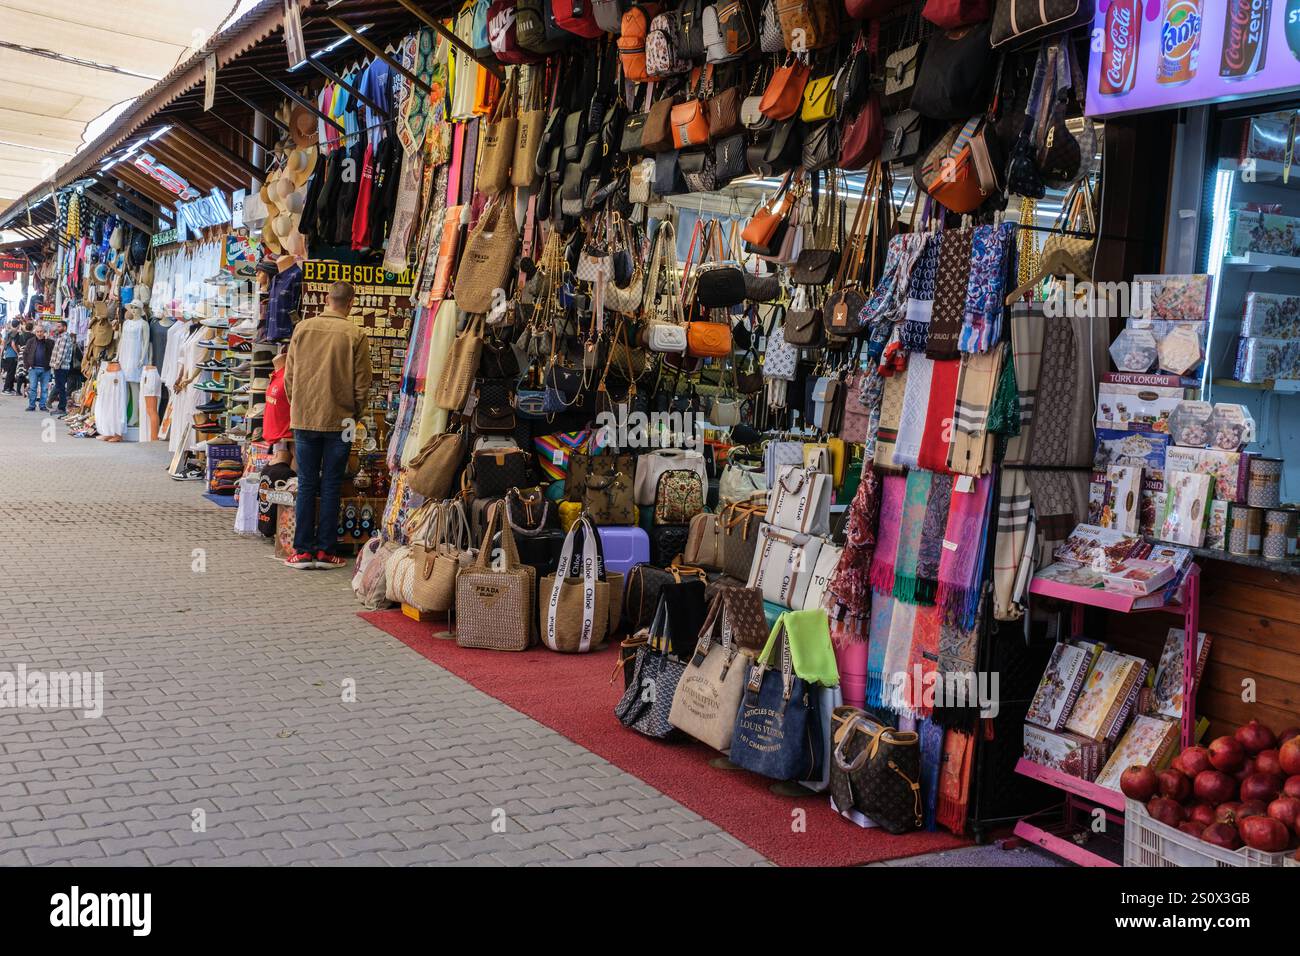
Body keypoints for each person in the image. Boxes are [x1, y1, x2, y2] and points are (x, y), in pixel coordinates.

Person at [282, 281, 371, 570]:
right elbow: (362, 384)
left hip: (305, 416)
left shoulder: (303, 329)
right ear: (351, 302)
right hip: (342, 420)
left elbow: (289, 377)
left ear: (326, 299)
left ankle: (302, 552)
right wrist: (355, 414)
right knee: (332, 484)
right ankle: (325, 552)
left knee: (307, 482)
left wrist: (298, 405)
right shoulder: (355, 334)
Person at [22, 324, 53, 412]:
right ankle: (32, 405)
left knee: (44, 388)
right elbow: (25, 353)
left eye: (41, 332)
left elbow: (53, 351)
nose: (39, 333)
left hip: (46, 369)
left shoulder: (49, 342)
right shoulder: (30, 341)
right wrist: (27, 366)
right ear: (35, 333)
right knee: (32, 388)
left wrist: (47, 340)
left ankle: (42, 406)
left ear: (44, 332)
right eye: (37, 332)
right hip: (33, 368)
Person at [48, 320, 75, 415]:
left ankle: (61, 408)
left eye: (59, 326)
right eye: (57, 326)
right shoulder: (61, 337)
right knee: (60, 387)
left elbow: (61, 353)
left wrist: (56, 365)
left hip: (61, 367)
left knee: (61, 388)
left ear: (65, 327)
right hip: (60, 366)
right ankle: (61, 407)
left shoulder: (64, 337)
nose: (57, 328)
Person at [1, 319, 20, 393]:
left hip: (7, 354)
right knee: (11, 373)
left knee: (11, 372)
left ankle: (10, 387)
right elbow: (13, 344)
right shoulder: (15, 333)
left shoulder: (8, 332)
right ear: (18, 325)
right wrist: (17, 353)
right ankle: (6, 388)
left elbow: (3, 343)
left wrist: (2, 353)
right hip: (12, 355)